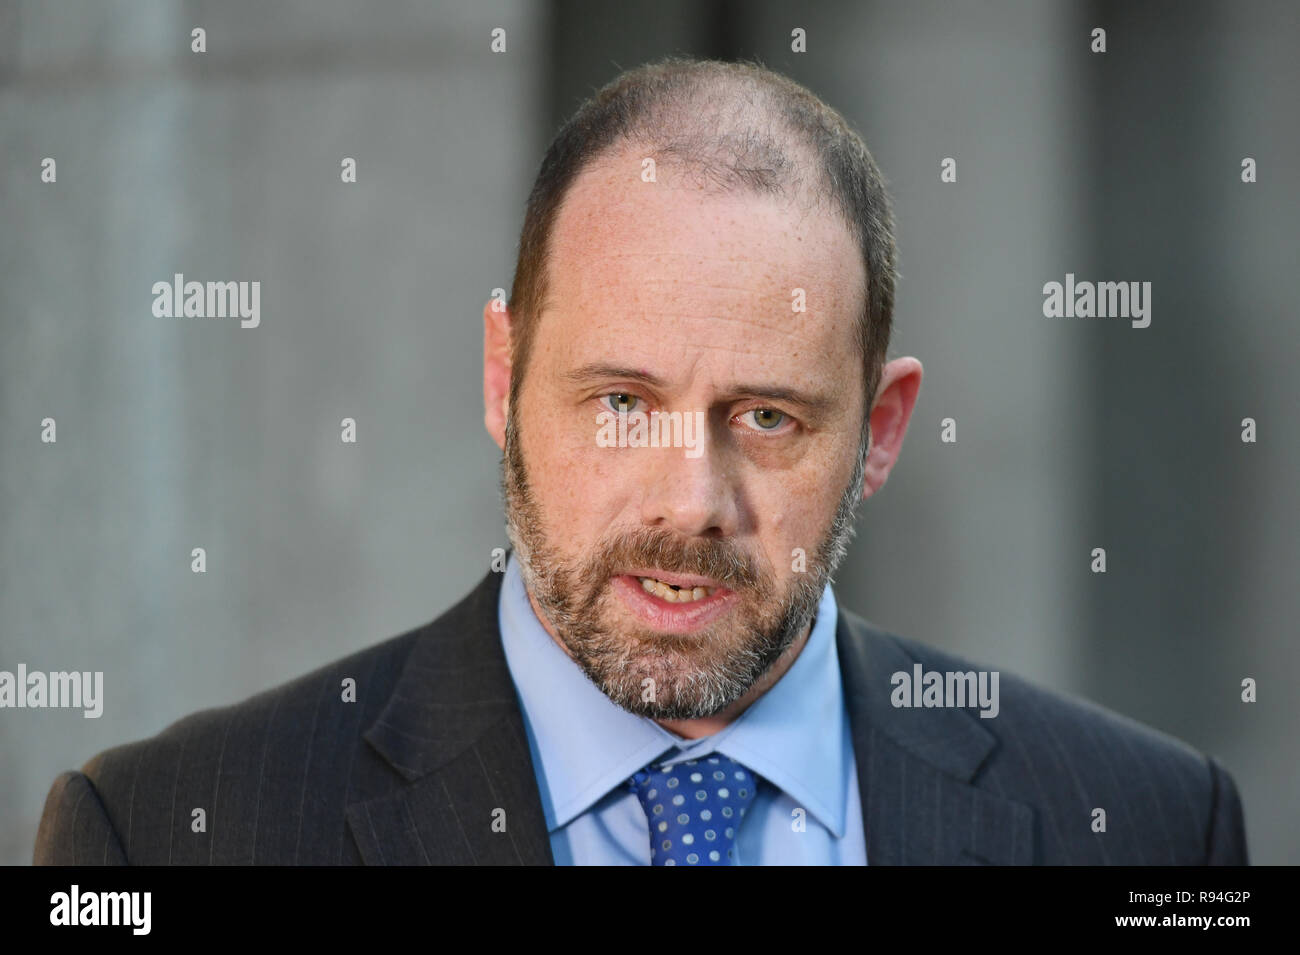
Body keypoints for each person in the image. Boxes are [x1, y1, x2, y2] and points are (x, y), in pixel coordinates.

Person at [34, 57, 1247, 866]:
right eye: (622, 401)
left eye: (768, 417)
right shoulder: (164, 836)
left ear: (879, 432)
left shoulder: (1148, 830)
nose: (689, 499)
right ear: (503, 379)